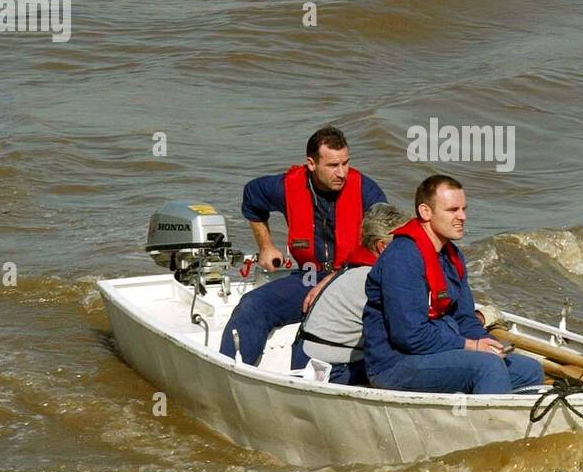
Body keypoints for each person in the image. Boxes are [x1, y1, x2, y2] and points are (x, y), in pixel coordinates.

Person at [219, 126, 387, 365]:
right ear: (311, 163)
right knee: (252, 305)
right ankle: (232, 370)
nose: (342, 173)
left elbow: (385, 244)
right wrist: (266, 245)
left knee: (314, 329)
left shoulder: (367, 191)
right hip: (308, 278)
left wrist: (337, 278)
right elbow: (252, 197)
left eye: (345, 163)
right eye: (332, 166)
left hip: (353, 281)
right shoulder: (286, 187)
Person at [362, 174, 544, 394]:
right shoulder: (402, 257)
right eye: (452, 210)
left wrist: (487, 342)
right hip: (394, 364)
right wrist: (470, 346)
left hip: (434, 352)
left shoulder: (451, 256)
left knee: (530, 371)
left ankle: (511, 420)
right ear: (425, 212)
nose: (462, 216)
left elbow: (465, 318)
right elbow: (409, 336)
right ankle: (488, 427)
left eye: (464, 209)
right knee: (488, 367)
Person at [291, 203, 410, 385]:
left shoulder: (355, 267)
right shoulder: (373, 279)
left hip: (308, 353)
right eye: (405, 242)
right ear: (383, 247)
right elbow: (406, 332)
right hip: (327, 368)